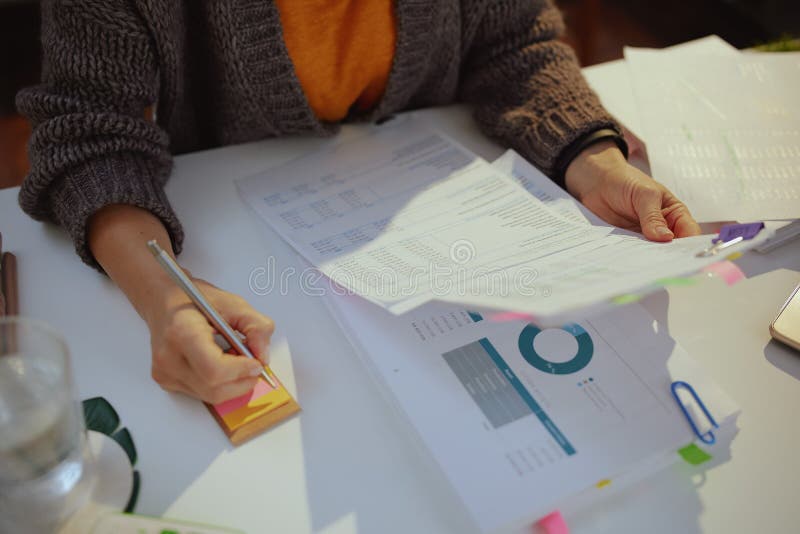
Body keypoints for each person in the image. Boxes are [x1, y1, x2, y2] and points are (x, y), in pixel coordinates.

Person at [17, 0, 700, 404]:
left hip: (440, 262)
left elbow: (514, 40)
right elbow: (90, 140)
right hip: (247, 261)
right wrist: (164, 297)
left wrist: (593, 160)